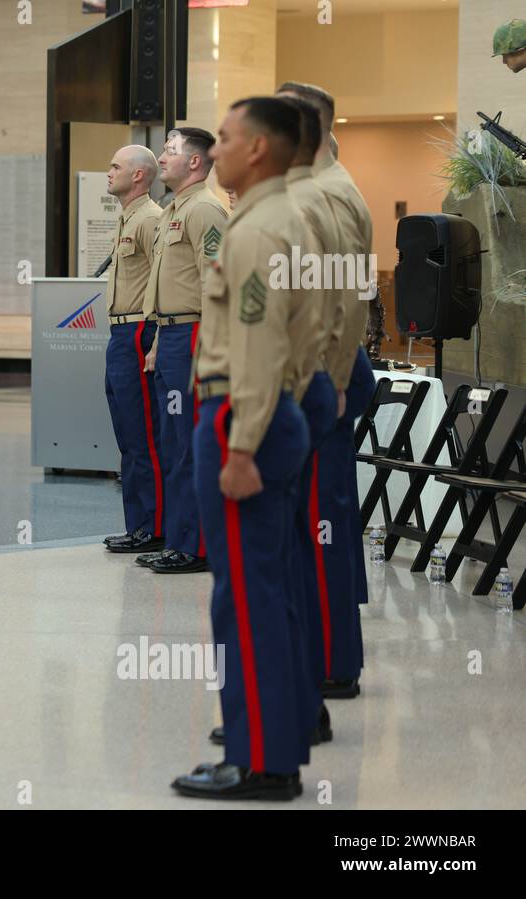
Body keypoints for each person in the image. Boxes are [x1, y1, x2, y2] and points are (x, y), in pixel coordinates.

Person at [171, 96, 318, 801]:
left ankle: (260, 762)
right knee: (270, 587)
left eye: (225, 138)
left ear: (258, 148)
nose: (215, 149)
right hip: (265, 410)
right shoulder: (281, 220)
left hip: (240, 415)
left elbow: (259, 347)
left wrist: (241, 446)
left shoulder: (258, 231)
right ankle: (277, 742)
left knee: (246, 598)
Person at [280, 79, 374, 700]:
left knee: (321, 527)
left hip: (325, 378)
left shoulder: (328, 195)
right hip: (314, 373)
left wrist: (332, 384)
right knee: (312, 527)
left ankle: (332, 664)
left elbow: (347, 296)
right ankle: (317, 657)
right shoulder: (311, 188)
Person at [137, 128, 227, 575]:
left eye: (170, 152)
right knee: (173, 446)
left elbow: (215, 286)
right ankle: (178, 537)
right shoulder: (175, 209)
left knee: (191, 446)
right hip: (170, 336)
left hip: (195, 337)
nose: (161, 157)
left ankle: (197, 546)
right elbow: (167, 286)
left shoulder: (205, 210)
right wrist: (156, 341)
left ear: (194, 162)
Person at [101, 145, 165, 555]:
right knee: (127, 436)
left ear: (139, 175)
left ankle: (154, 526)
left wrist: (154, 339)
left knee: (144, 438)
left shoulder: (150, 220)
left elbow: (162, 283)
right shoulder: (128, 217)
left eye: (115, 167)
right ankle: (137, 524)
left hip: (139, 331)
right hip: (120, 334)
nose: (108, 173)